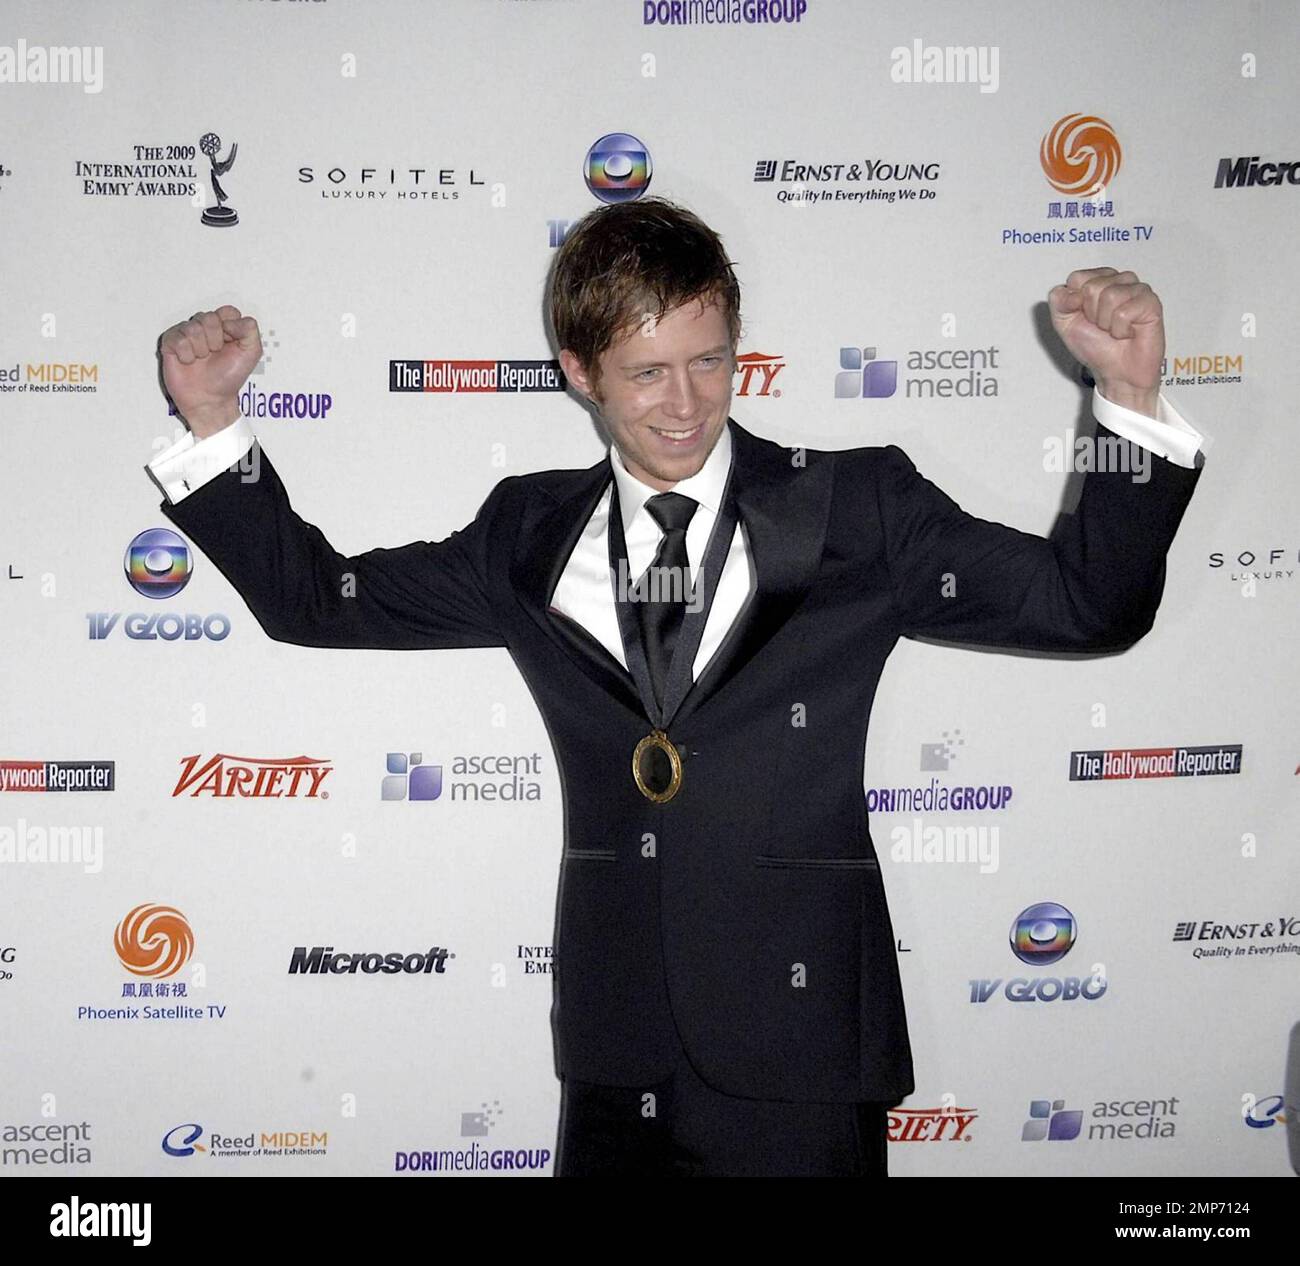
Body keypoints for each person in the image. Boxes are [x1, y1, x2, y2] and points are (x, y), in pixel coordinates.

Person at [146, 197, 1205, 1176]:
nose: (688, 403)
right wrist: (214, 428)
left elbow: (1087, 608)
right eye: (649, 372)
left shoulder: (858, 509)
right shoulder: (525, 530)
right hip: (618, 1054)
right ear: (579, 370)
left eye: (711, 362)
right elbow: (319, 604)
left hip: (802, 1059)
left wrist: (1126, 396)